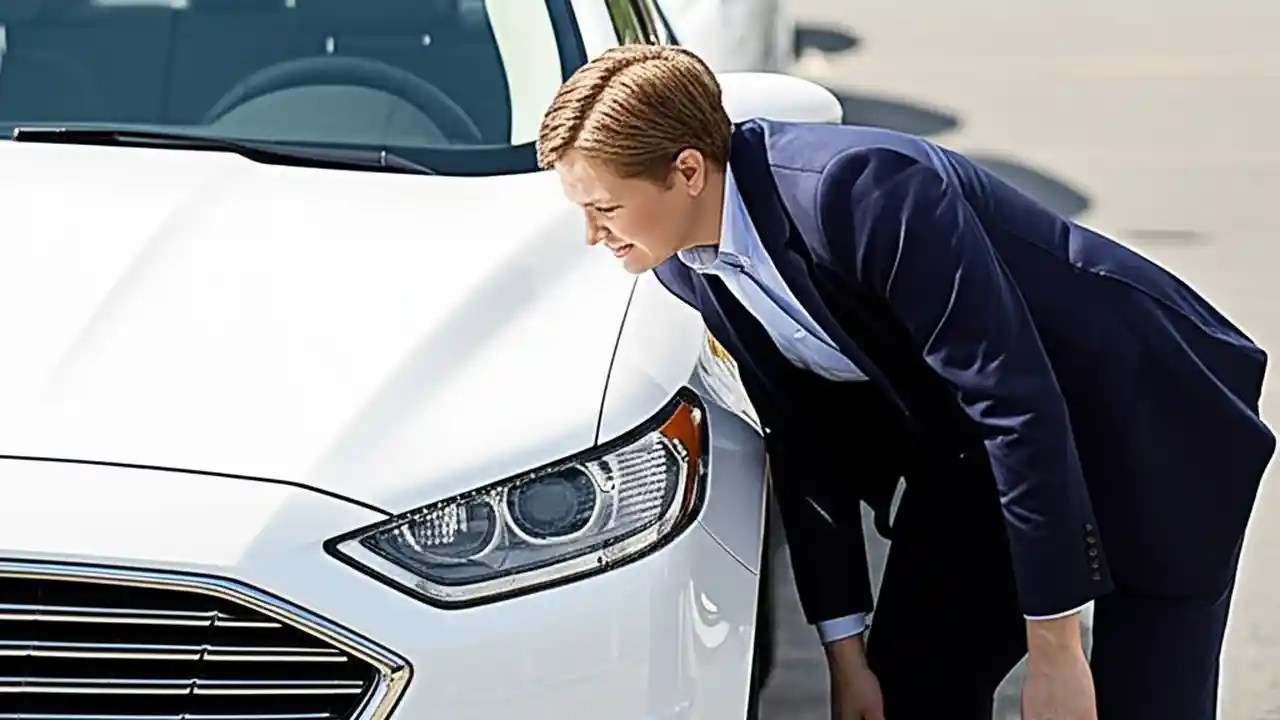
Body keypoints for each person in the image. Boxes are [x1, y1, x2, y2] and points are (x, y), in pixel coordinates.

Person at [535, 45, 1275, 719]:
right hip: (977, 459)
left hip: (1148, 424)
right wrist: (846, 655)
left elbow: (1016, 404)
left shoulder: (862, 190)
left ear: (688, 170)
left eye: (605, 207)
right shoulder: (682, 265)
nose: (594, 236)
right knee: (905, 693)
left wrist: (1055, 653)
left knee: (1141, 702)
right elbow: (801, 442)